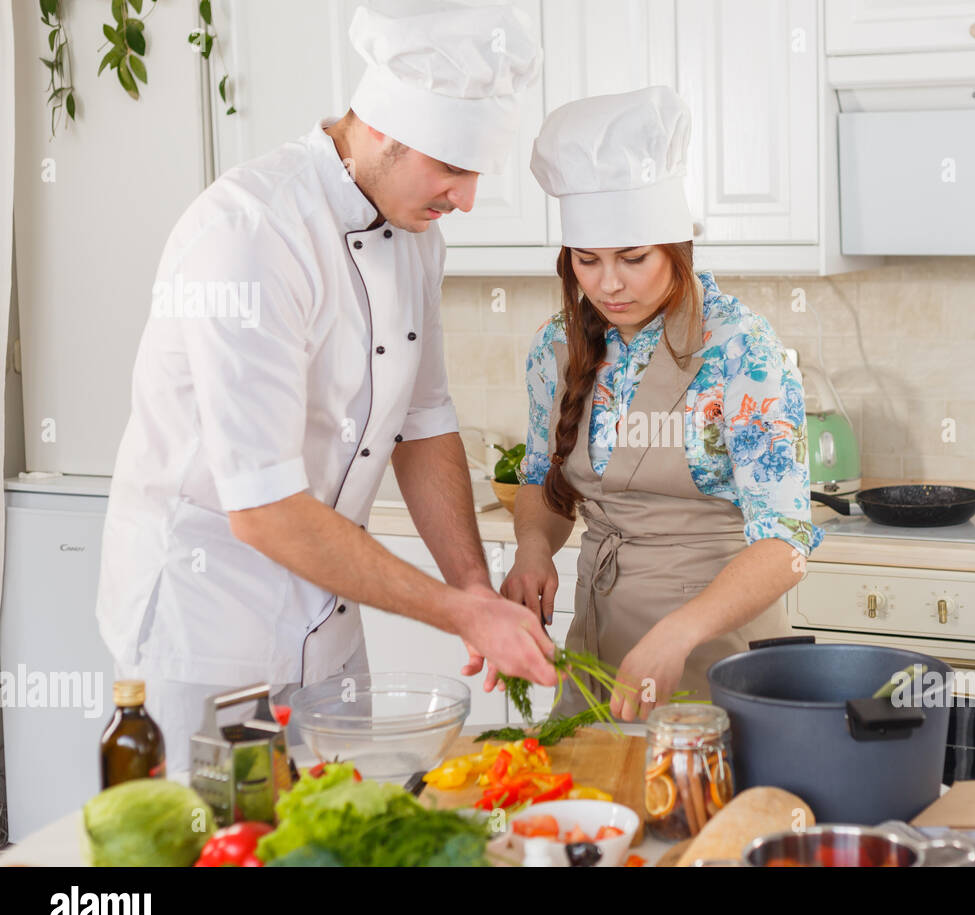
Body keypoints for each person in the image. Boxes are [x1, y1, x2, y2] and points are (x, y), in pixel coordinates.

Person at [96, 5, 555, 771]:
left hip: (332, 623)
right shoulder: (250, 236)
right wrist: (458, 613)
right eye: (452, 169)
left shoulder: (416, 238)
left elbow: (424, 420)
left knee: (340, 838)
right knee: (216, 843)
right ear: (385, 130)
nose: (467, 199)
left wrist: (476, 588)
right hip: (211, 633)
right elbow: (264, 509)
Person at [500, 86, 823, 721]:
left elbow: (785, 542)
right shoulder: (555, 350)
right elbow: (541, 479)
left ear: (678, 245)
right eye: (587, 261)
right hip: (592, 651)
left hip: (715, 654)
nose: (608, 284)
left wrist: (680, 631)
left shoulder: (741, 352)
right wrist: (533, 551)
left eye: (634, 258)